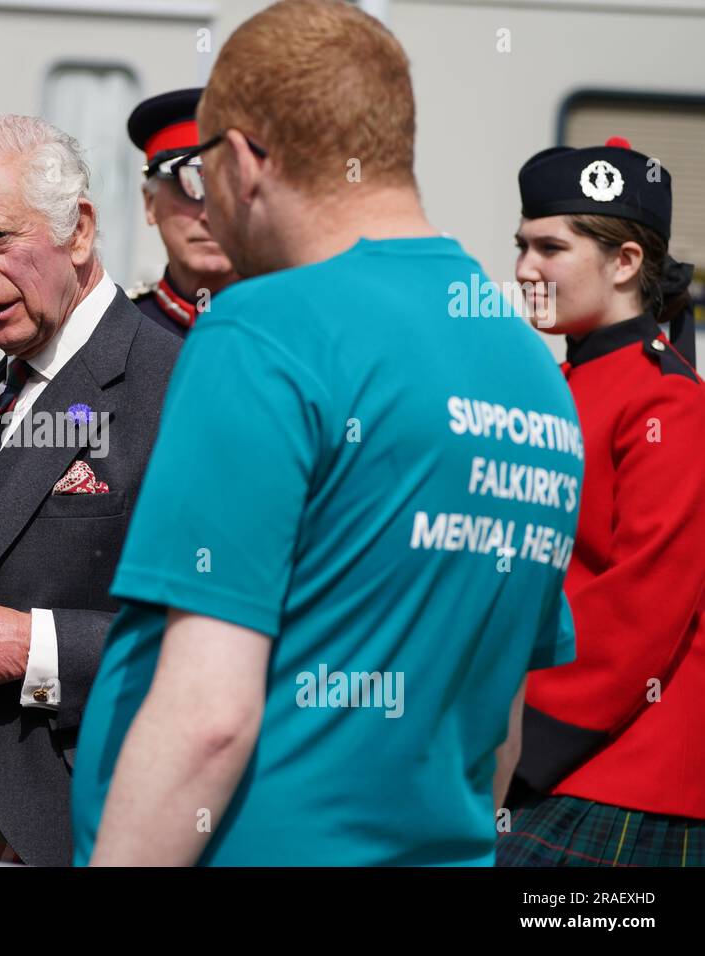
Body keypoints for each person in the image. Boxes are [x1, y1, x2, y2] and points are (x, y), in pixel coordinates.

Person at [71, 0, 584, 866]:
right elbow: (500, 730)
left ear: (241, 160)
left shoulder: (263, 329)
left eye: (200, 169)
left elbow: (206, 720)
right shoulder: (532, 370)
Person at [0, 112, 182, 864]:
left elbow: (219, 642)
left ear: (78, 232)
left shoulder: (173, 387)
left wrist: (30, 646)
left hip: (81, 827)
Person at [497, 138, 705, 866]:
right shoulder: (559, 382)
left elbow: (639, 611)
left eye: (551, 248)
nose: (525, 269)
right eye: (521, 246)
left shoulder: (671, 402)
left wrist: (516, 745)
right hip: (550, 762)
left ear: (625, 263)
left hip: (621, 781)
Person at [125, 88, 239, 336]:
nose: (209, 217)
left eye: (229, 191)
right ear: (150, 203)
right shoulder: (119, 331)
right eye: (188, 187)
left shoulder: (292, 326)